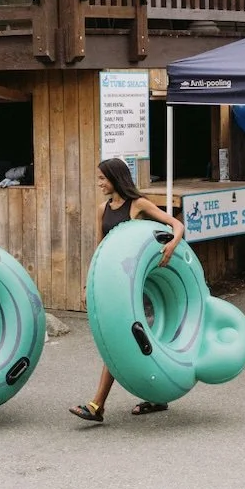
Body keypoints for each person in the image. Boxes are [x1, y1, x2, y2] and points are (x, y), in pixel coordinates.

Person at [69, 157, 184, 424]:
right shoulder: (102, 209)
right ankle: (155, 396)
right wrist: (88, 285)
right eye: (98, 178)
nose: (99, 183)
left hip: (138, 285)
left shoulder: (138, 205)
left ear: (115, 178)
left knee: (122, 341)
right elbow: (99, 251)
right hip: (114, 287)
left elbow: (176, 225)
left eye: (102, 178)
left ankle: (97, 405)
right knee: (124, 341)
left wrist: (172, 244)